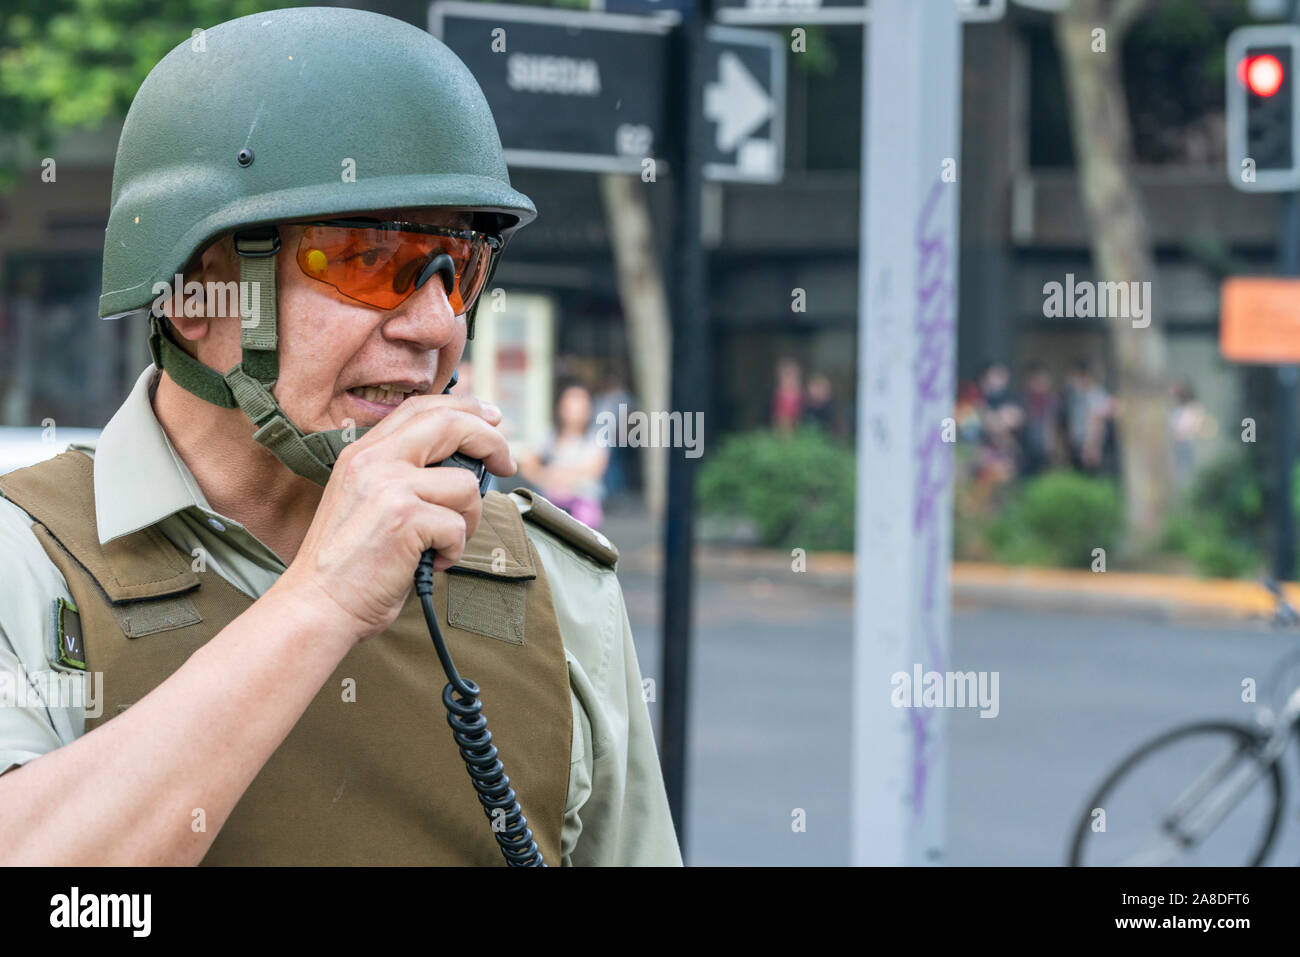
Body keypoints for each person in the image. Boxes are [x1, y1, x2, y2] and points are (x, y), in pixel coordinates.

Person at [0, 8, 680, 867]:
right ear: (195, 288)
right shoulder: (23, 567)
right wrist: (320, 601)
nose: (436, 323)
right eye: (369, 257)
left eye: (460, 266)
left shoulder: (556, 589)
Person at [518, 380, 610, 530]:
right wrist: (545, 477)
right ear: (561, 407)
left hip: (583, 506)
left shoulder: (596, 437)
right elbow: (527, 464)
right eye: (572, 404)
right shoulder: (548, 434)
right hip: (550, 505)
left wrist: (557, 475)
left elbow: (594, 469)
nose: (576, 410)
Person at [771, 357, 803, 431]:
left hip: (796, 420)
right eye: (786, 375)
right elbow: (776, 410)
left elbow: (801, 410)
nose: (789, 380)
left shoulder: (799, 394)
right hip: (782, 420)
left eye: (791, 375)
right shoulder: (779, 393)